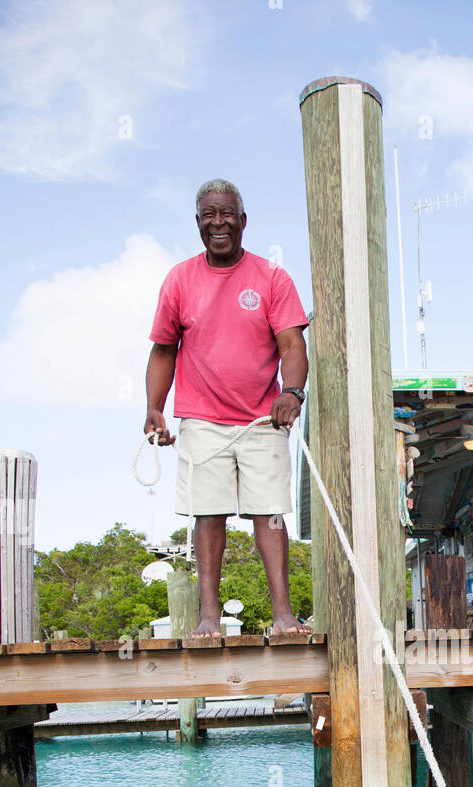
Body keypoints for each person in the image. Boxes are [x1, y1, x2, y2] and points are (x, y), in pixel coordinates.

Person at [144, 179, 310, 636]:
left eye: (227, 213)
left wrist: (291, 393)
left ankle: (283, 616)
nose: (219, 223)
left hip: (262, 417)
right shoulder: (179, 279)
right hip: (201, 418)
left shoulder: (271, 277)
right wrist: (154, 408)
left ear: (242, 219)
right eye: (209, 215)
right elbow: (163, 350)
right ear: (198, 222)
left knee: (269, 513)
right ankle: (209, 618)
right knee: (208, 513)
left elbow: (293, 345)